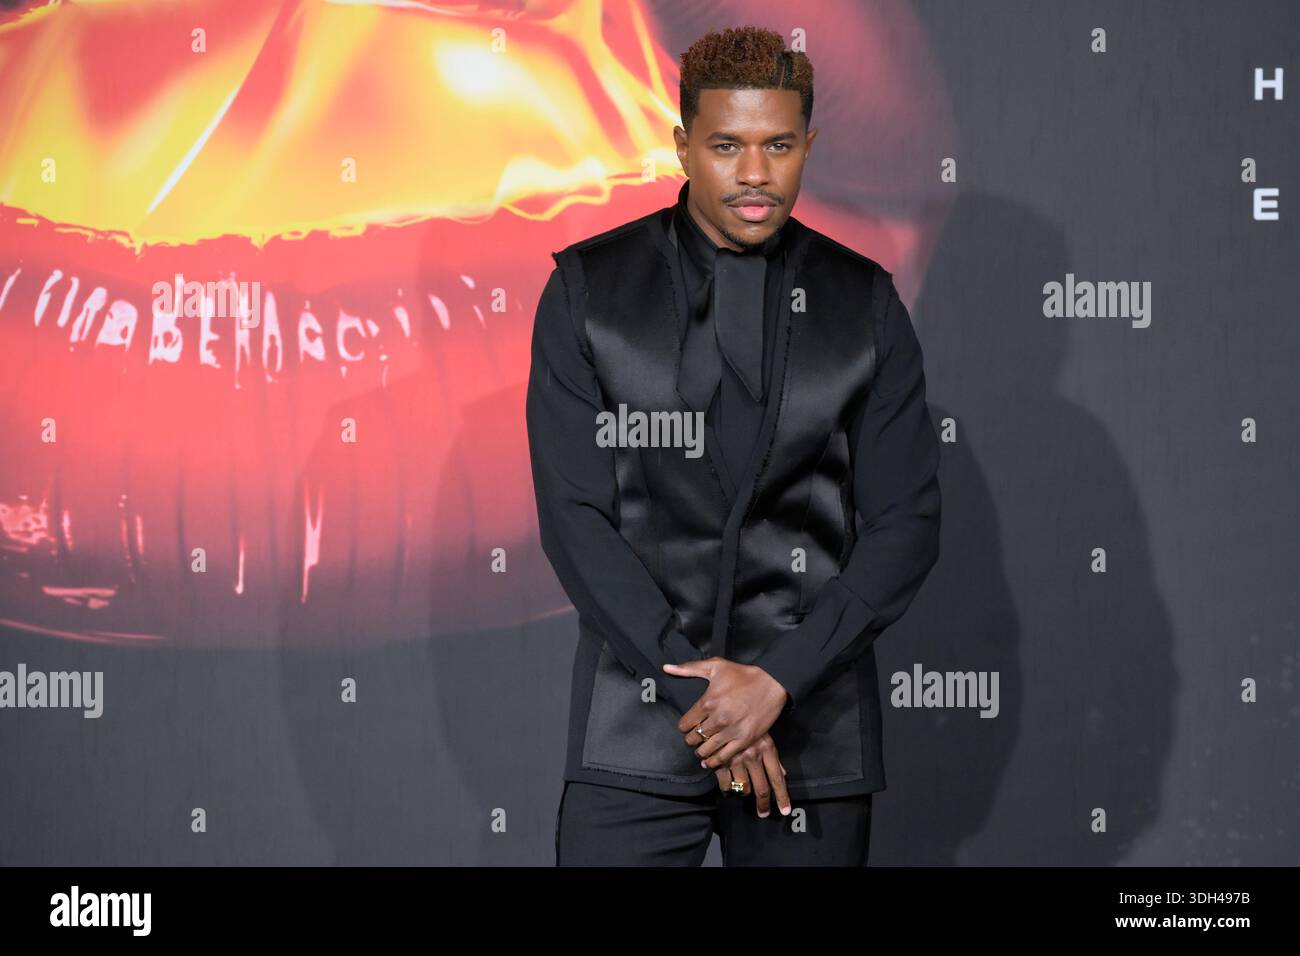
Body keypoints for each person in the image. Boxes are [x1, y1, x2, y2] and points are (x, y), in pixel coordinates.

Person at [526, 25, 941, 866]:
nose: (755, 175)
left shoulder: (864, 305)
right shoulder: (586, 292)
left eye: (779, 145)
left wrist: (780, 679)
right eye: (727, 146)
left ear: (809, 146)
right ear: (682, 146)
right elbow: (576, 521)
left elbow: (905, 524)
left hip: (811, 734)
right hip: (636, 727)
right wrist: (710, 695)